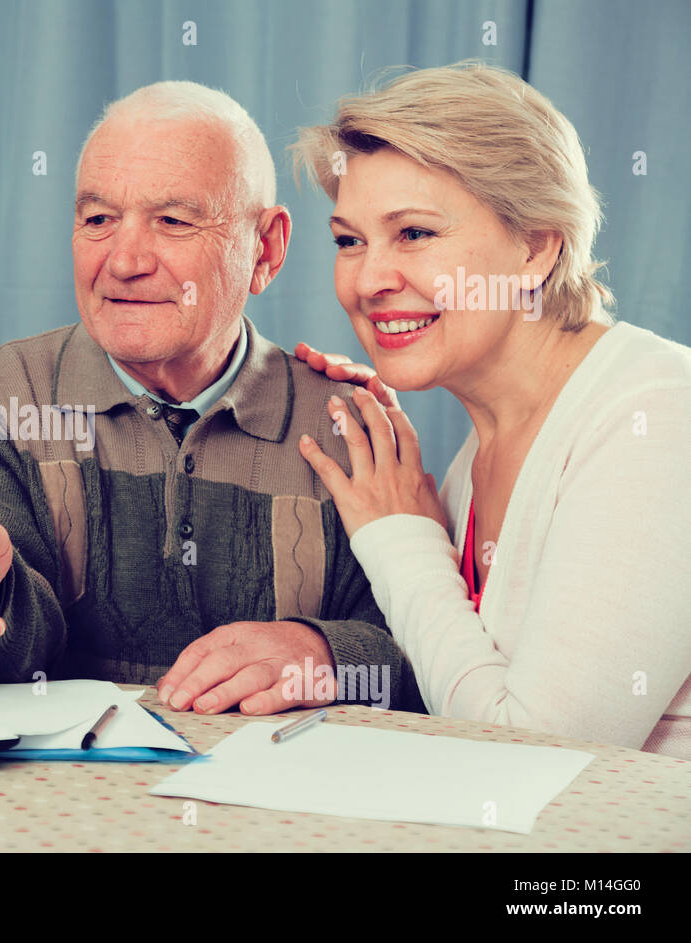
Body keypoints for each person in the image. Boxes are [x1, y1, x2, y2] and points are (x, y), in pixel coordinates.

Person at [0, 82, 423, 716]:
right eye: (97, 219)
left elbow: (421, 667)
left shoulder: (350, 428)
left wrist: (326, 657)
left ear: (265, 248)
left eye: (173, 221)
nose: (123, 261)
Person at [289, 61, 691, 756]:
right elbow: (459, 682)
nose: (371, 279)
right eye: (349, 240)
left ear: (536, 248)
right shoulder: (476, 450)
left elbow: (540, 756)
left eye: (414, 233)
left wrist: (400, 538)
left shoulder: (654, 417)